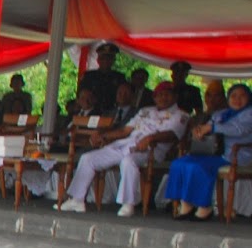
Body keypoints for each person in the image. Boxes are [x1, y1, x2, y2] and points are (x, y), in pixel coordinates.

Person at [59, 79, 188, 216]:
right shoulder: (145, 111)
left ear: (175, 97)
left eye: (167, 94)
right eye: (159, 94)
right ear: (154, 97)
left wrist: (150, 138)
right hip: (127, 144)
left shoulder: (181, 115)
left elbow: (173, 135)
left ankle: (128, 203)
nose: (163, 97)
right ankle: (77, 200)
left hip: (151, 150)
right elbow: (125, 131)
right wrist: (104, 136)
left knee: (128, 161)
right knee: (88, 158)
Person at [163, 81, 252, 219]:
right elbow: (207, 127)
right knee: (179, 163)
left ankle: (205, 206)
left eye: (242, 96)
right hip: (213, 153)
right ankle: (186, 203)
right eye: (234, 96)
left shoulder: (249, 113)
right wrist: (198, 131)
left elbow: (239, 130)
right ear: (228, 99)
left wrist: (213, 128)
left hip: (235, 155)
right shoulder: (221, 114)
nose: (237, 99)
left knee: (200, 166)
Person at [78, 41, 124, 112]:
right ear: (98, 60)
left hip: (112, 112)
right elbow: (81, 95)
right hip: (91, 111)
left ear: (113, 60)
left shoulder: (119, 77)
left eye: (109, 59)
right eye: (103, 59)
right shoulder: (89, 76)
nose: (105, 61)